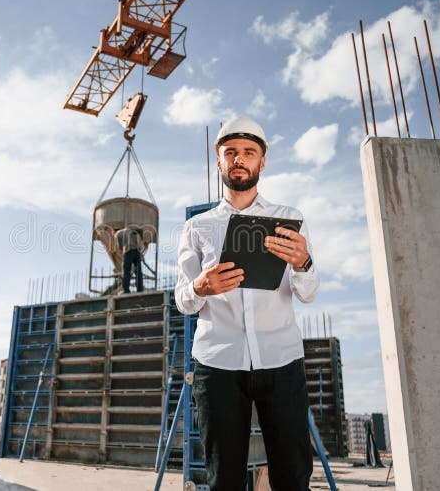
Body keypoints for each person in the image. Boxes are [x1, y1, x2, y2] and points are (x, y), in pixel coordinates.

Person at [175, 115, 319, 491]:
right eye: (231, 153)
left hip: (281, 360)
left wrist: (303, 263)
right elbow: (182, 301)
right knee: (223, 480)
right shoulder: (197, 227)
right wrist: (200, 288)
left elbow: (307, 292)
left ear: (262, 161)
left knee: (293, 477)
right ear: (219, 162)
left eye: (249, 153)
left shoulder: (288, 219)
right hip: (217, 363)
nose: (240, 159)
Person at [116, 226, 144, 293]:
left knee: (126, 271)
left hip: (128, 251)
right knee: (138, 272)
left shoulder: (118, 233)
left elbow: (119, 247)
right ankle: (140, 289)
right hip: (137, 251)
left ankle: (126, 290)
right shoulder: (131, 230)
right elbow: (139, 240)